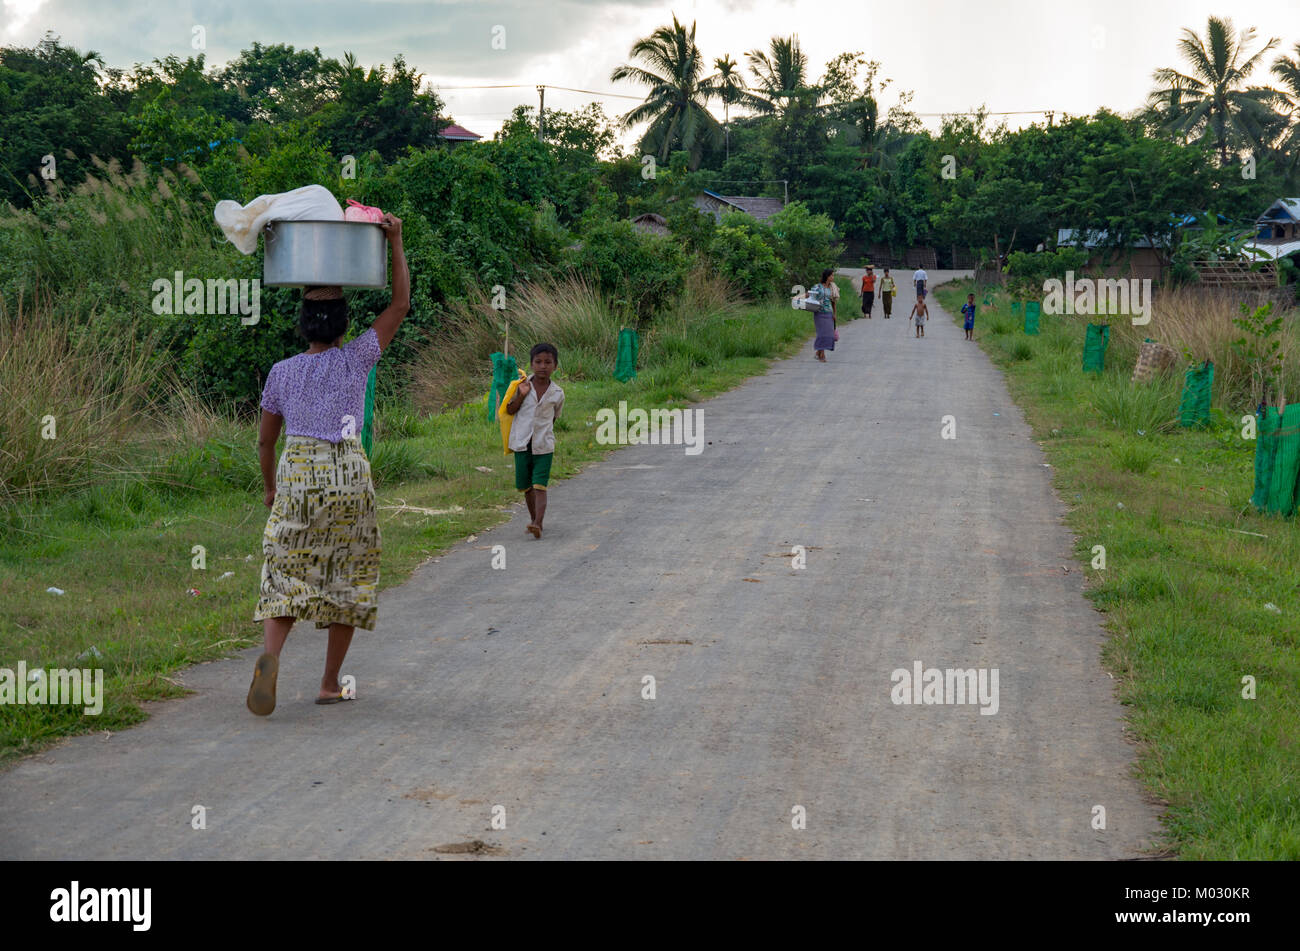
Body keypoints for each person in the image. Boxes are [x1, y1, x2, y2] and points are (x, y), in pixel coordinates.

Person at [247, 214, 409, 716]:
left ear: (303, 325)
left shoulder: (281, 372)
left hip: (298, 472)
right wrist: (396, 239)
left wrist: (272, 489)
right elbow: (400, 303)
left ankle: (271, 658)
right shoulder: (357, 358)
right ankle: (328, 682)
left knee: (284, 574)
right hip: (348, 476)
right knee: (347, 577)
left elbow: (264, 441)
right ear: (343, 324)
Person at [506, 342, 565, 538]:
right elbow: (510, 409)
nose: (543, 366)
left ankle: (538, 523)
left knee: (540, 485)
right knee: (526, 487)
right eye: (538, 362)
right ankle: (534, 520)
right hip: (522, 444)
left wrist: (545, 434)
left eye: (548, 362)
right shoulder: (521, 386)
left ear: (555, 366)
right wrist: (522, 396)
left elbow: (554, 418)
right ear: (531, 364)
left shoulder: (557, 393)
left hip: (544, 446)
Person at [811, 268, 838, 362]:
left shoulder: (832, 288)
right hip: (819, 313)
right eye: (832, 275)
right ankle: (822, 355)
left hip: (828, 313)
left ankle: (818, 352)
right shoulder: (818, 287)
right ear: (827, 276)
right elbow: (810, 295)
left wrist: (834, 314)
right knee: (822, 334)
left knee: (829, 335)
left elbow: (833, 302)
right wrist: (798, 297)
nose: (833, 277)